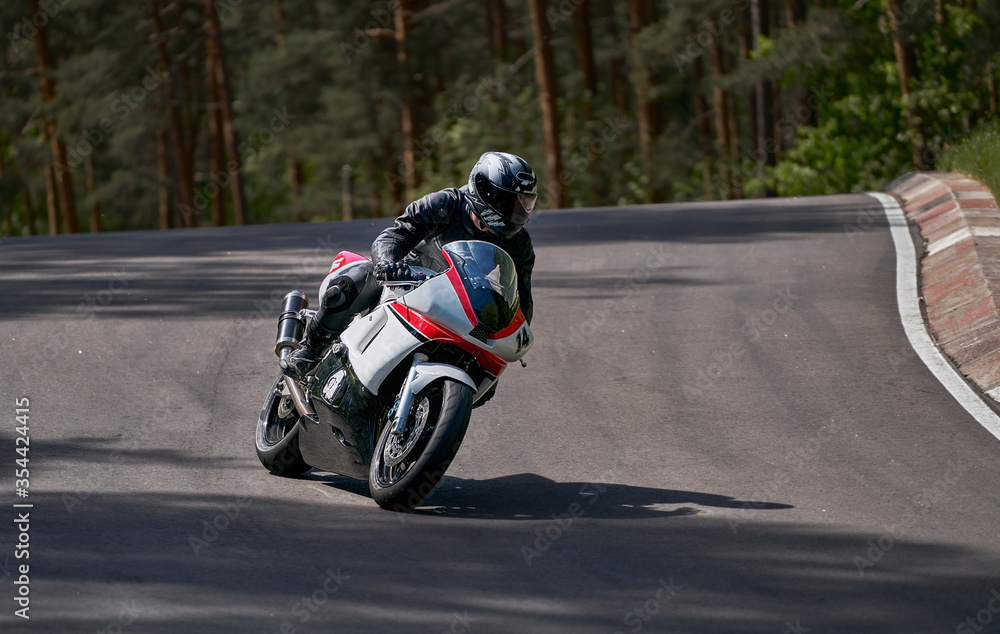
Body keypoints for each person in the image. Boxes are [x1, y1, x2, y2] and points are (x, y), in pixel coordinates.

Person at [281, 151, 538, 379]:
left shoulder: (518, 243)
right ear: (484, 191)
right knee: (348, 286)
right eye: (509, 203)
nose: (517, 212)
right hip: (405, 281)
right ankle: (310, 350)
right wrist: (386, 264)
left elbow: (520, 296)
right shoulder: (447, 203)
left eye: (523, 204)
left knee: (487, 368)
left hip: (456, 303)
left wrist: (514, 333)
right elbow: (398, 233)